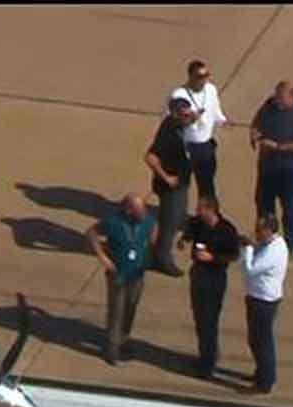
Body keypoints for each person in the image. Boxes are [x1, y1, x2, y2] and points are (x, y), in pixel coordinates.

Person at [86, 193, 157, 365]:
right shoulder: (113, 222)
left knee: (131, 307)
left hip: (137, 273)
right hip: (118, 273)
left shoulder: (147, 221)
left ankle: (124, 340)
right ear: (128, 210)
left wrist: (150, 249)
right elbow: (91, 232)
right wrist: (102, 256)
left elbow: (154, 227)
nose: (143, 214)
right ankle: (112, 349)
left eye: (144, 210)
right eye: (139, 211)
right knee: (116, 310)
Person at [177, 196, 241, 378]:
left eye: (200, 209)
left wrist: (213, 258)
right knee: (199, 318)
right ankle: (206, 355)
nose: (197, 212)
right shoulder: (197, 223)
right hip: (198, 274)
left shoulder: (227, 230)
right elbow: (189, 231)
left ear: (211, 210)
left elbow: (234, 255)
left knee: (209, 320)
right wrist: (183, 240)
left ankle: (207, 365)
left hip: (215, 278)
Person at [250, 80, 293, 258]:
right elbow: (257, 120)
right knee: (264, 205)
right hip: (267, 166)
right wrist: (254, 132)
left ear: (292, 97)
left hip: (291, 169)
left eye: (281, 97)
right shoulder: (270, 105)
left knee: (289, 206)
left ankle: (292, 244)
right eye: (276, 95)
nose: (277, 100)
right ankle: (265, 239)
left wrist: (278, 147)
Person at [145, 97, 196, 277]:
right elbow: (150, 158)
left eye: (189, 113)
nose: (188, 117)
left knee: (176, 217)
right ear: (175, 114)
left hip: (181, 184)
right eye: (185, 115)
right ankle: (161, 258)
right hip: (171, 187)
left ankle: (157, 250)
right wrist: (166, 177)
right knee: (170, 222)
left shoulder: (178, 125)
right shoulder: (168, 132)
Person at [241, 214, 289, 394]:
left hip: (264, 301)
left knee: (262, 341)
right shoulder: (271, 244)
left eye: (259, 230)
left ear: (269, 230)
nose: (256, 233)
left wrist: (247, 249)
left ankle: (265, 382)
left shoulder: (273, 251)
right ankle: (262, 373)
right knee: (256, 340)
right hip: (258, 297)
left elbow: (251, 269)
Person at [168, 60, 229, 203]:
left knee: (207, 185)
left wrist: (221, 120)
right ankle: (177, 213)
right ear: (191, 76)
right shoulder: (178, 95)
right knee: (181, 184)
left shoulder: (211, 89)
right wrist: (190, 120)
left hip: (205, 146)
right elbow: (171, 121)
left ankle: (208, 215)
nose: (204, 80)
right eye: (200, 76)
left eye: (206, 75)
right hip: (186, 147)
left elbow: (215, 107)